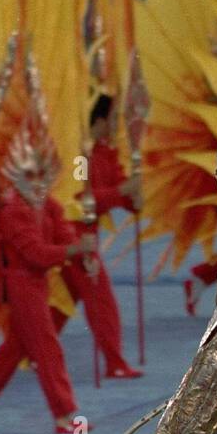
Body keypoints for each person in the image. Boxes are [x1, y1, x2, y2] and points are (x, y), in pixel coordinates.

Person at [0, 154, 94, 434]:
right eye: (30, 175)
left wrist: (83, 253)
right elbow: (36, 254)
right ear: (16, 177)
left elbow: (64, 233)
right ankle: (64, 413)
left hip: (38, 284)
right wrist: (74, 251)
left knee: (16, 348)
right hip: (20, 285)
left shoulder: (47, 205)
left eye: (41, 174)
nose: (38, 181)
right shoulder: (11, 212)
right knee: (47, 348)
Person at [54, 94, 144, 380]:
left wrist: (135, 197)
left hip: (87, 235)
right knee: (101, 301)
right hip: (73, 233)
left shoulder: (106, 152)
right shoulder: (78, 153)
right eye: (114, 116)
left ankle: (30, 351)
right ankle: (114, 362)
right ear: (101, 120)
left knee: (63, 300)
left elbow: (123, 193)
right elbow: (80, 199)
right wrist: (123, 192)